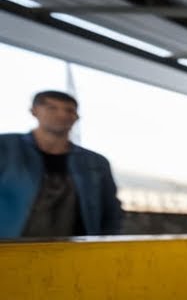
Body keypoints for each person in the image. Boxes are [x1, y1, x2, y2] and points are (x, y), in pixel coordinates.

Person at [0, 90, 124, 238]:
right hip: (10, 250)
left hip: (75, 252)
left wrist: (103, 245)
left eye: (69, 110)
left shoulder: (96, 162)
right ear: (34, 111)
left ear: (77, 117)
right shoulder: (5, 148)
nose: (62, 115)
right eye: (52, 108)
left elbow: (111, 211)